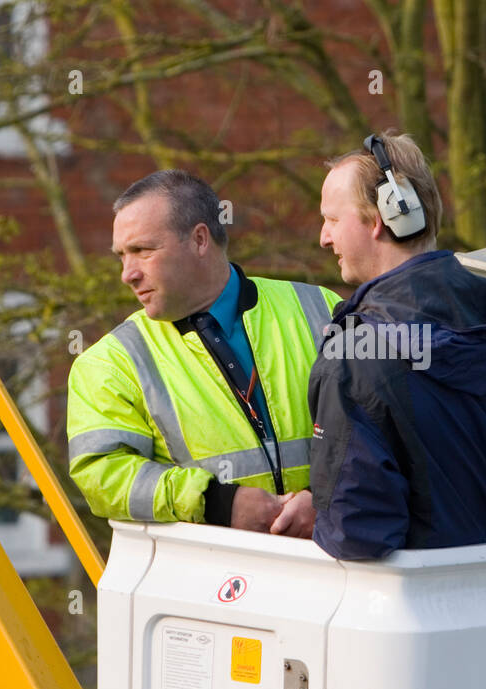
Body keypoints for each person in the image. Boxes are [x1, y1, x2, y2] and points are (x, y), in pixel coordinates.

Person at [308, 131, 486, 560]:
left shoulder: (353, 357)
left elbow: (356, 532)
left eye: (332, 220)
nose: (323, 238)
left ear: (379, 220)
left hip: (417, 607)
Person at [67, 170, 341, 536]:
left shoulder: (321, 308)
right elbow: (103, 477)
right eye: (121, 256)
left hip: (331, 573)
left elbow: (380, 430)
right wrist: (214, 502)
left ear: (199, 240)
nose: (127, 274)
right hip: (207, 583)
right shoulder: (109, 363)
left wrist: (322, 498)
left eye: (142, 251)